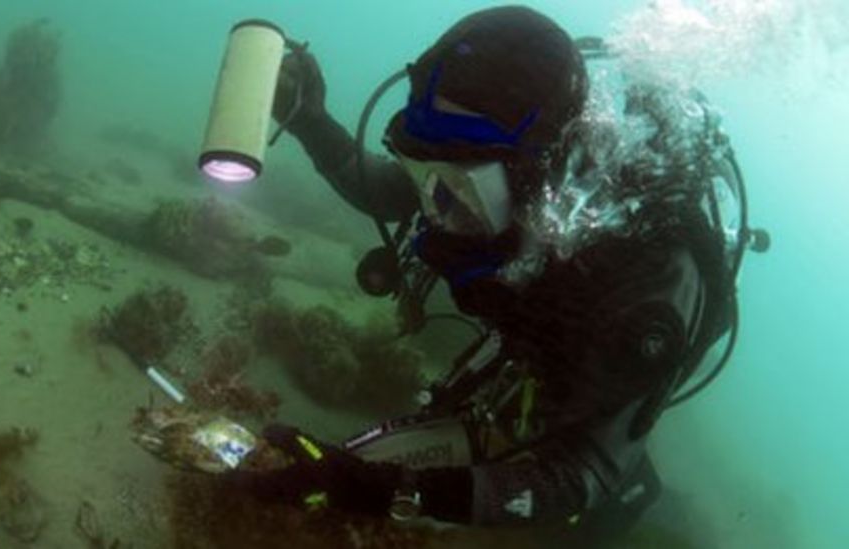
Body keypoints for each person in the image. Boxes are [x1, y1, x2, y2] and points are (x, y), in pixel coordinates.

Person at [227, 5, 748, 546]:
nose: (433, 207)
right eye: (419, 169)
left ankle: (633, 496)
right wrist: (311, 122)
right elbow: (390, 191)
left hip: (602, 354)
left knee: (567, 454)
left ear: (534, 171)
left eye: (456, 184)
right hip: (542, 306)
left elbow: (582, 474)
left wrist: (383, 491)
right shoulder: (473, 160)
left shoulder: (646, 281)